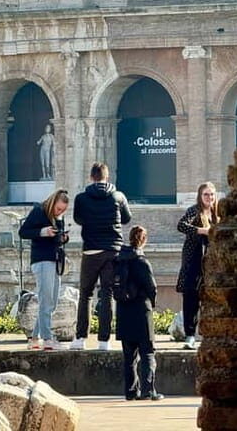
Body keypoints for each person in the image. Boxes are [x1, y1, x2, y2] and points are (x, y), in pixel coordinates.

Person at [70, 162, 132, 351]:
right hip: (113, 250)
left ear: (91, 177)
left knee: (86, 294)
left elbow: (78, 219)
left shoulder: (81, 198)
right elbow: (127, 218)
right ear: (107, 176)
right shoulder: (118, 196)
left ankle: (80, 338)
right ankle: (104, 341)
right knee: (107, 294)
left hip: (91, 250)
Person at [18, 188, 70, 351]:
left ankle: (34, 338)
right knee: (46, 299)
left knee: (52, 301)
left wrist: (62, 238)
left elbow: (55, 239)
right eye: (58, 209)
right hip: (42, 260)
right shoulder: (39, 211)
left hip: (54, 260)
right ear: (53, 202)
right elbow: (23, 232)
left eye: (63, 210)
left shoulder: (58, 218)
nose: (60, 212)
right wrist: (43, 232)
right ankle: (47, 338)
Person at [116, 225, 163, 401]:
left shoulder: (120, 260)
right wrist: (152, 303)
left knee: (129, 356)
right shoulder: (142, 262)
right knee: (148, 352)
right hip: (141, 311)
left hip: (123, 311)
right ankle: (148, 391)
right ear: (144, 240)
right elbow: (152, 287)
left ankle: (130, 391)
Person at [176, 181, 218, 350]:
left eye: (212, 195)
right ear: (200, 196)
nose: (209, 198)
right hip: (193, 261)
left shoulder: (217, 214)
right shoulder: (194, 211)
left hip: (211, 262)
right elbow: (181, 225)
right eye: (206, 194)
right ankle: (190, 335)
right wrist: (202, 231)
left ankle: (210, 334)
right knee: (191, 298)